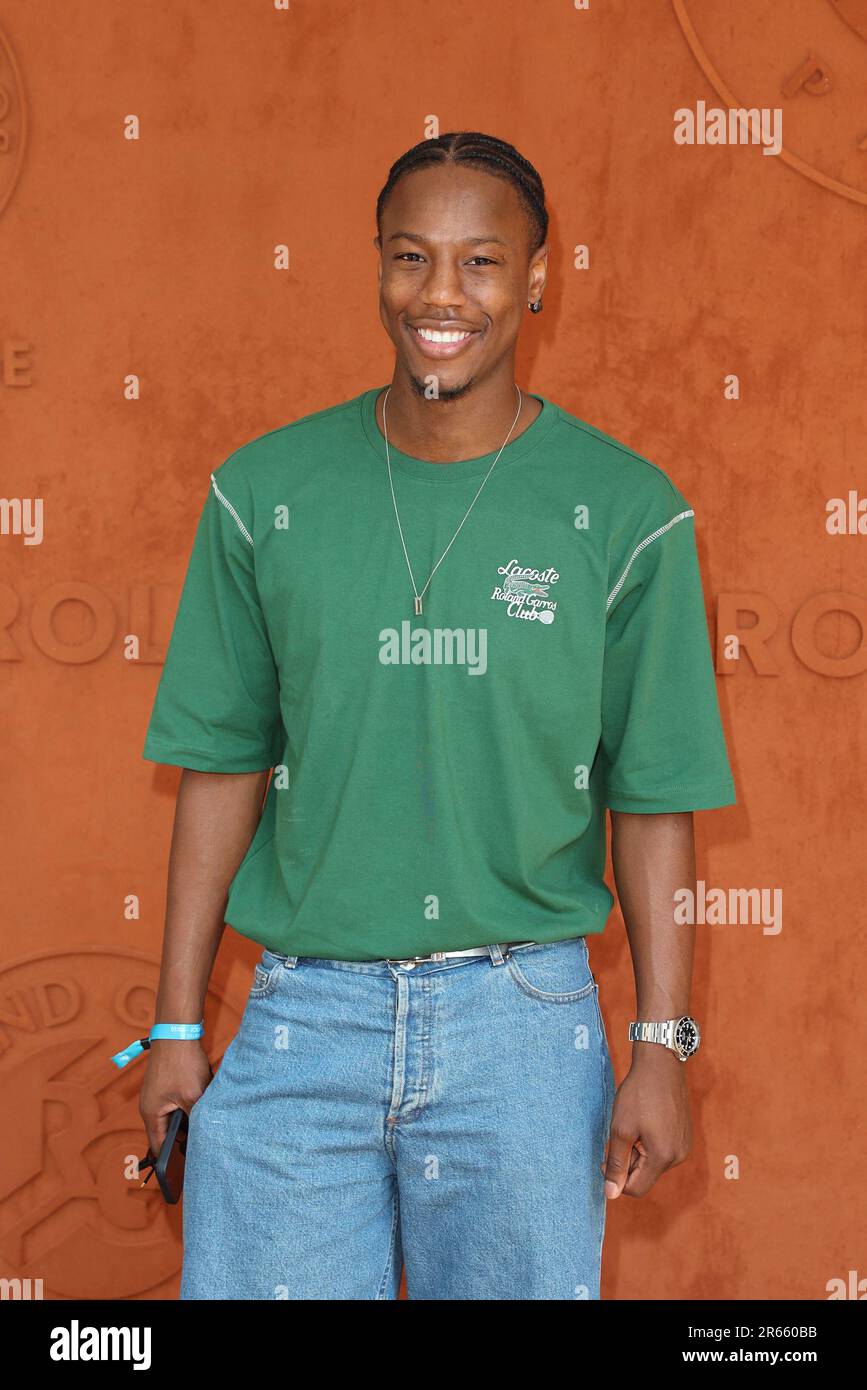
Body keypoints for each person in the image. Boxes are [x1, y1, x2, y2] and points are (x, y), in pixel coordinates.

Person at [136, 131, 736, 1300]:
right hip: (304, 1015)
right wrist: (172, 1024)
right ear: (376, 268)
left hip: (523, 1027)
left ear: (539, 277)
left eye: (482, 261)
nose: (443, 296)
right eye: (413, 259)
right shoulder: (263, 492)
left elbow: (654, 798)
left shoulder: (626, 511)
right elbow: (219, 764)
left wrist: (661, 1046)